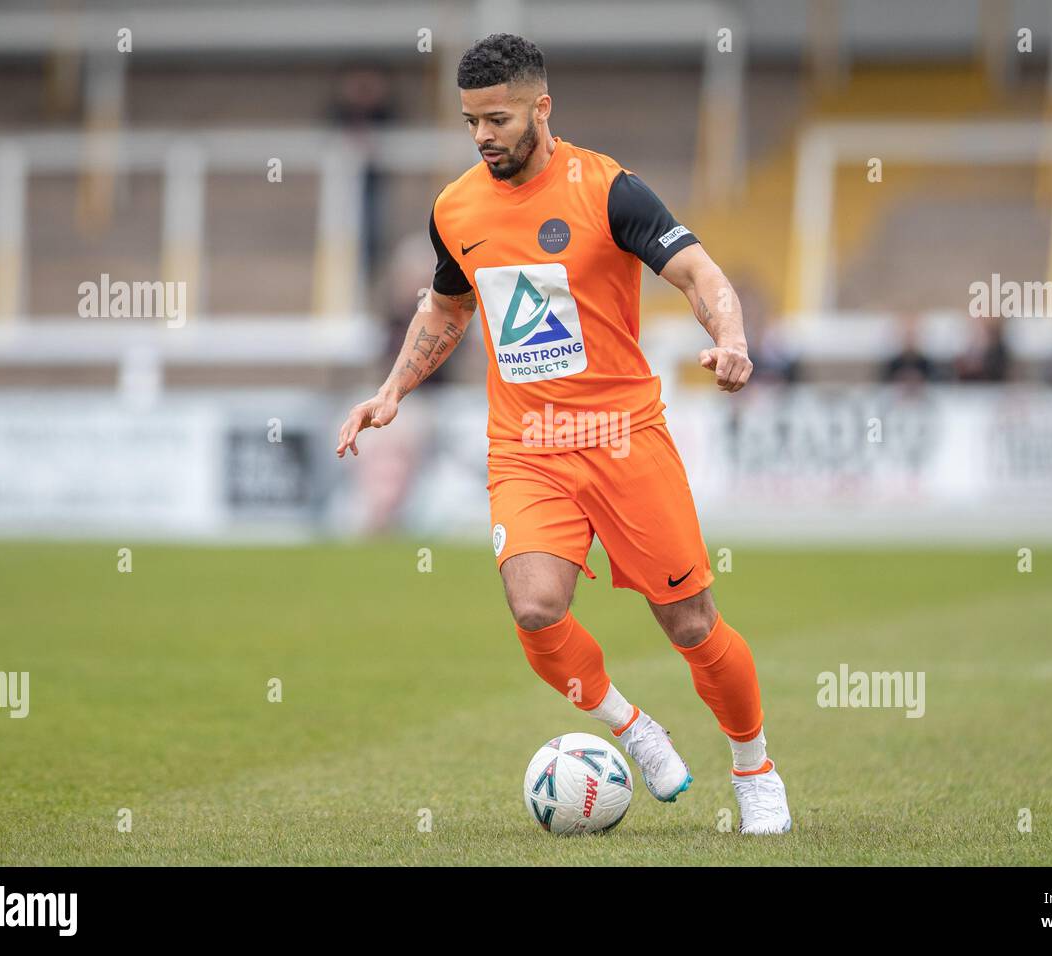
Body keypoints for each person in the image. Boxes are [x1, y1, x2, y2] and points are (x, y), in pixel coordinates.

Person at [336, 33, 790, 835]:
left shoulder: (609, 189)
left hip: (625, 437)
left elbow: (699, 273)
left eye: (498, 119)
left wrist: (734, 338)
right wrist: (392, 389)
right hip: (525, 445)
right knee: (536, 607)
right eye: (471, 121)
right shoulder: (456, 208)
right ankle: (635, 729)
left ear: (541, 108)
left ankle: (754, 767)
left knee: (690, 624)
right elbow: (446, 307)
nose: (483, 136)